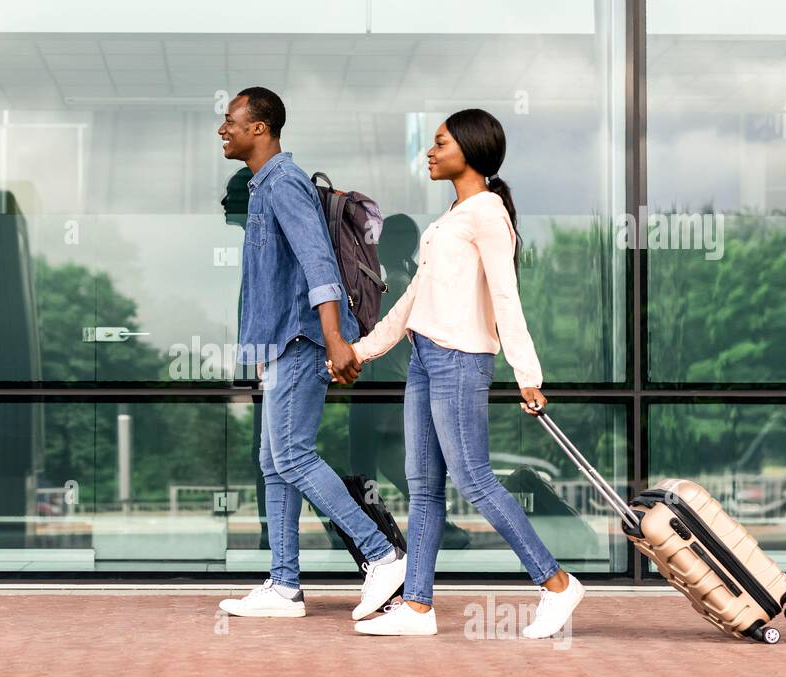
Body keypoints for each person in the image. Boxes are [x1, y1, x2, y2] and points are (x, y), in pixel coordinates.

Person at [340, 109, 585, 637]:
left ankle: (557, 584)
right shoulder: (451, 218)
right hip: (426, 360)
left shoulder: (488, 214)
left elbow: (505, 296)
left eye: (439, 143)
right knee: (423, 486)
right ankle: (418, 607)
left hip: (460, 360)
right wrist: (363, 350)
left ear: (470, 150)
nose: (430, 152)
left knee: (473, 479)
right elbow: (411, 300)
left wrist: (527, 373)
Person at [215, 87, 405, 620]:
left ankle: (381, 554)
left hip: (302, 340)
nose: (222, 129)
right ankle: (283, 586)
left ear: (260, 128)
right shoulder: (262, 188)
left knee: (293, 456)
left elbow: (318, 263)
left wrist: (335, 339)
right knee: (273, 463)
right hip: (280, 344)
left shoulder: (285, 182)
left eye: (231, 121)